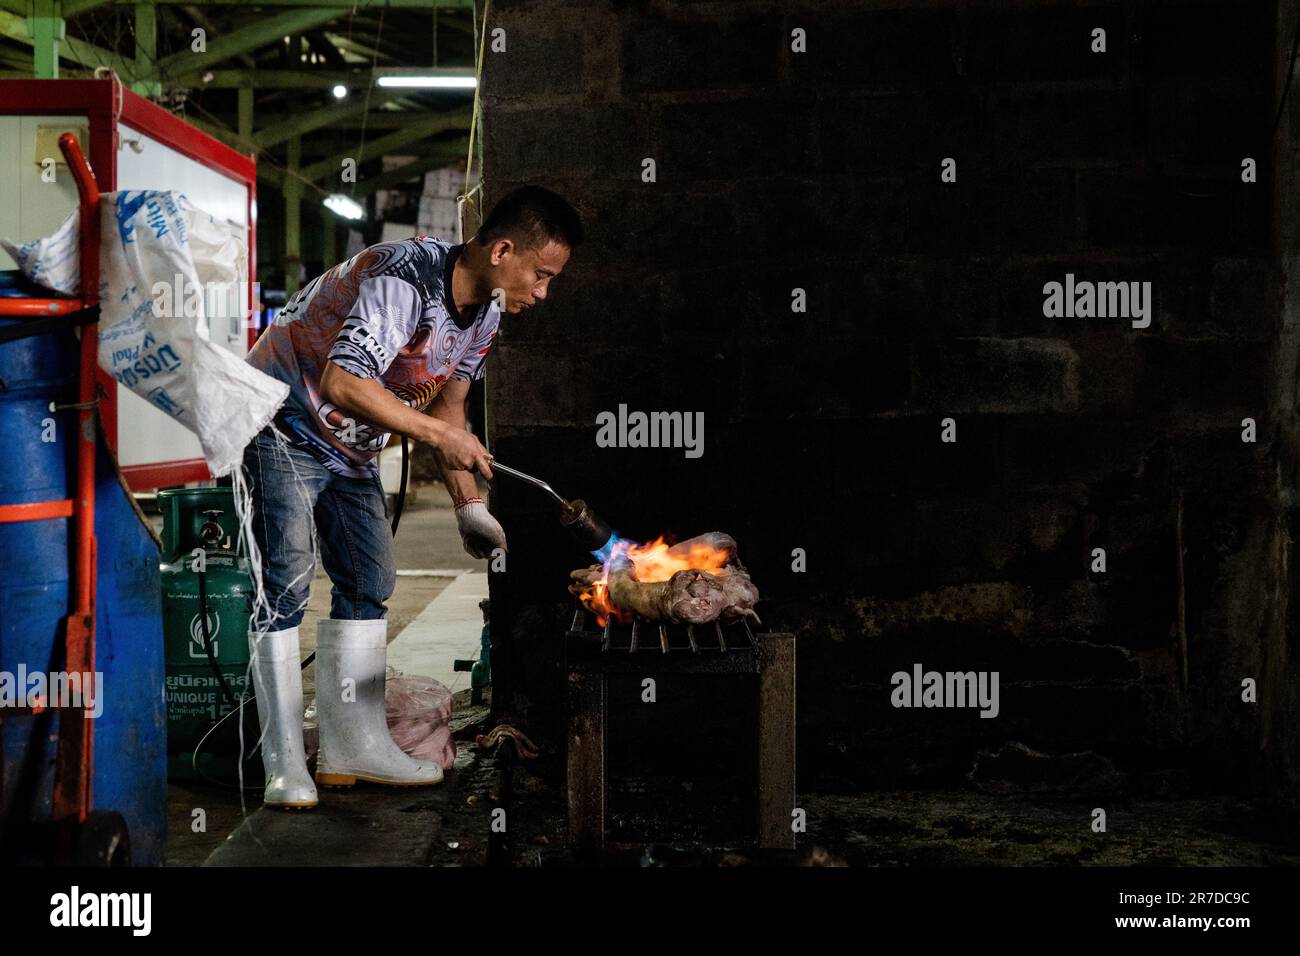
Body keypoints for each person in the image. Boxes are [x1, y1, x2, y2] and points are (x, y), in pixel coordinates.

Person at [241, 185, 583, 808]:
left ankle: (354, 745)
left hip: (349, 446)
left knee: (370, 579)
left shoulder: (487, 311)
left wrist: (468, 507)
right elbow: (344, 381)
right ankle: (283, 763)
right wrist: (429, 434)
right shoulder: (406, 276)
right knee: (286, 582)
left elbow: (451, 406)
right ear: (502, 250)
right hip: (282, 422)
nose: (542, 292)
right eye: (540, 274)